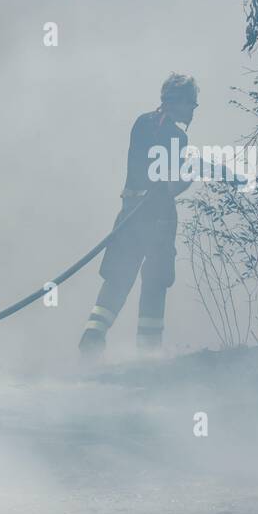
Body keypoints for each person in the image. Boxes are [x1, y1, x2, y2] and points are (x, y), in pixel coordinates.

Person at [79, 74, 198, 354]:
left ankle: (92, 338)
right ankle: (148, 353)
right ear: (178, 102)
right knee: (156, 280)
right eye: (191, 103)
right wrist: (193, 173)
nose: (194, 109)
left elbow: (146, 174)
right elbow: (167, 187)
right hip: (157, 219)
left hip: (129, 214)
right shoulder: (178, 137)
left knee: (118, 276)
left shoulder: (141, 123)